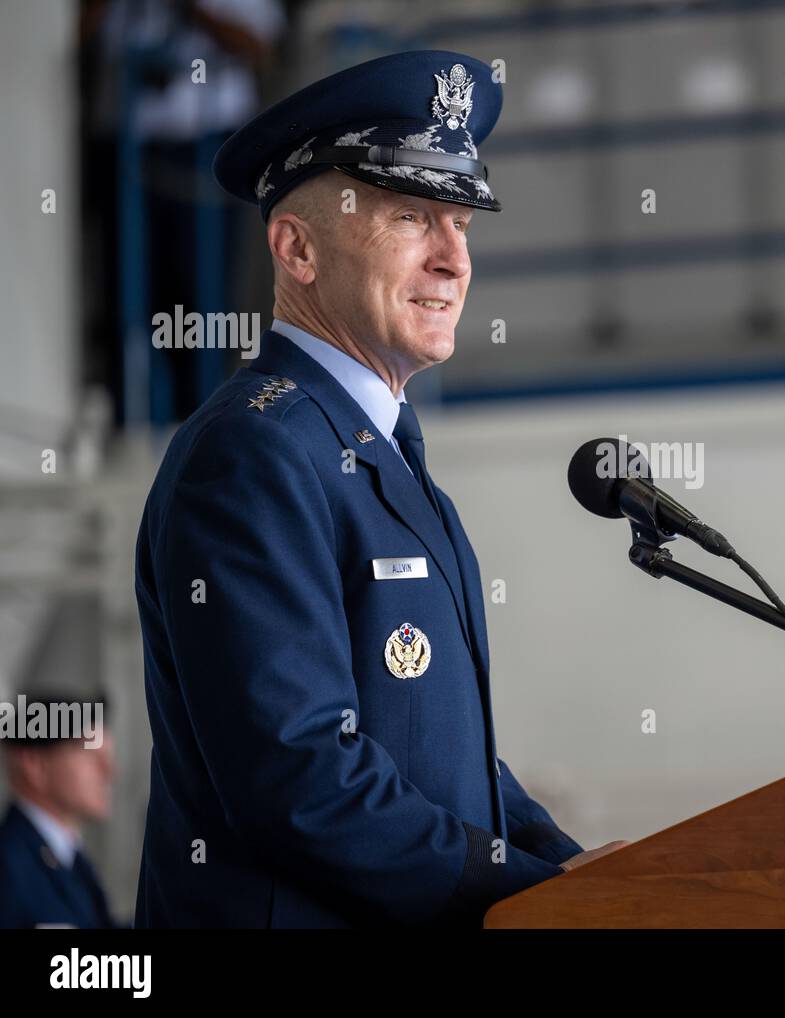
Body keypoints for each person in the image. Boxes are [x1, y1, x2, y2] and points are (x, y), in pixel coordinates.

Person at [133, 50, 626, 929]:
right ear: (297, 248)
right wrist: (534, 894)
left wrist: (576, 869)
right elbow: (303, 779)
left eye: (465, 223)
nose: (453, 259)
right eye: (412, 216)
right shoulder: (254, 452)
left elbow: (443, 763)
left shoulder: (380, 452)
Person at [0, 692, 119, 928]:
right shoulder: (9, 869)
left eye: (106, 756)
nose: (109, 771)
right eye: (89, 752)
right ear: (35, 765)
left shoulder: (69, 859)